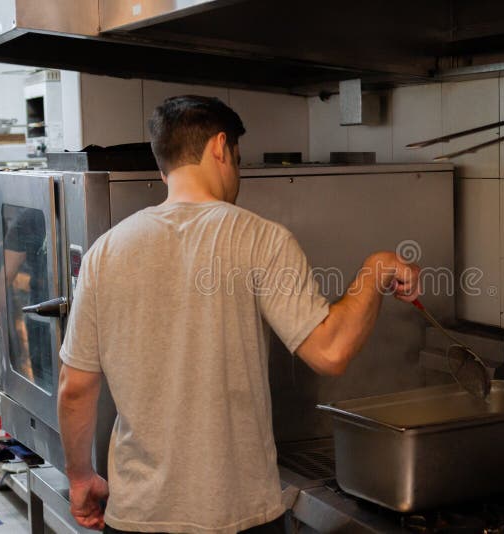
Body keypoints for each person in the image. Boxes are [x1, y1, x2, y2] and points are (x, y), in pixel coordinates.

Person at [57, 95, 421, 534]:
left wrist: (80, 477)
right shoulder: (260, 239)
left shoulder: (106, 252)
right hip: (238, 516)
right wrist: (376, 267)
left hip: (137, 515)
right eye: (238, 159)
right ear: (219, 146)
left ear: (163, 165)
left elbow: (75, 388)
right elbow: (331, 351)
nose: (238, 172)